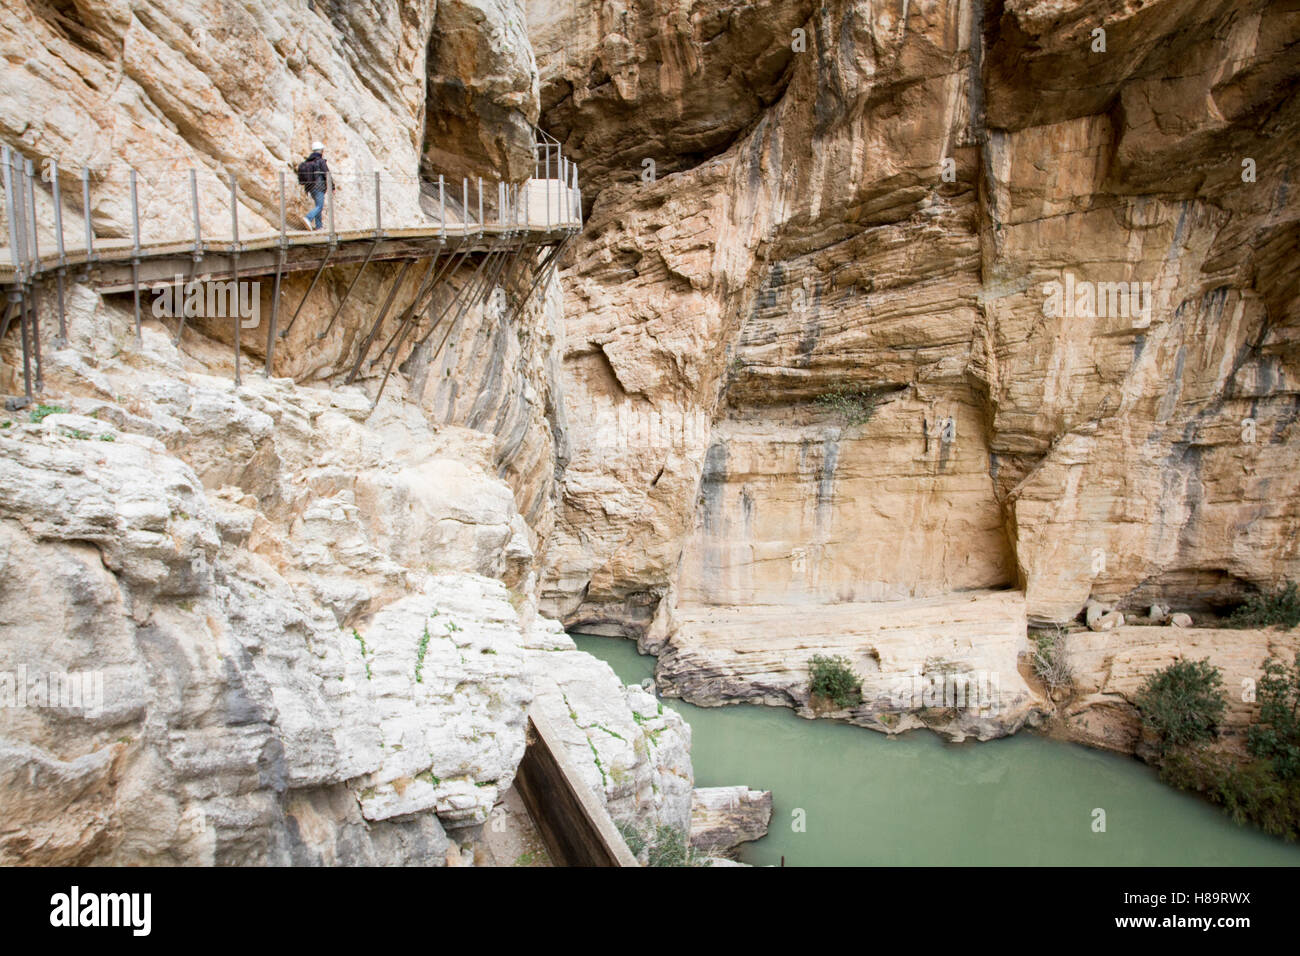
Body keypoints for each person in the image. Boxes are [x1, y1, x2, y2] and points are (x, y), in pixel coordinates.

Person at [297, 141, 333, 230]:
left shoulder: (307, 162)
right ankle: (308, 218)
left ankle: (319, 226)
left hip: (310, 187)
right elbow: (327, 174)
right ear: (321, 150)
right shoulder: (320, 161)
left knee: (318, 205)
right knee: (319, 206)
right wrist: (332, 186)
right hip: (319, 186)